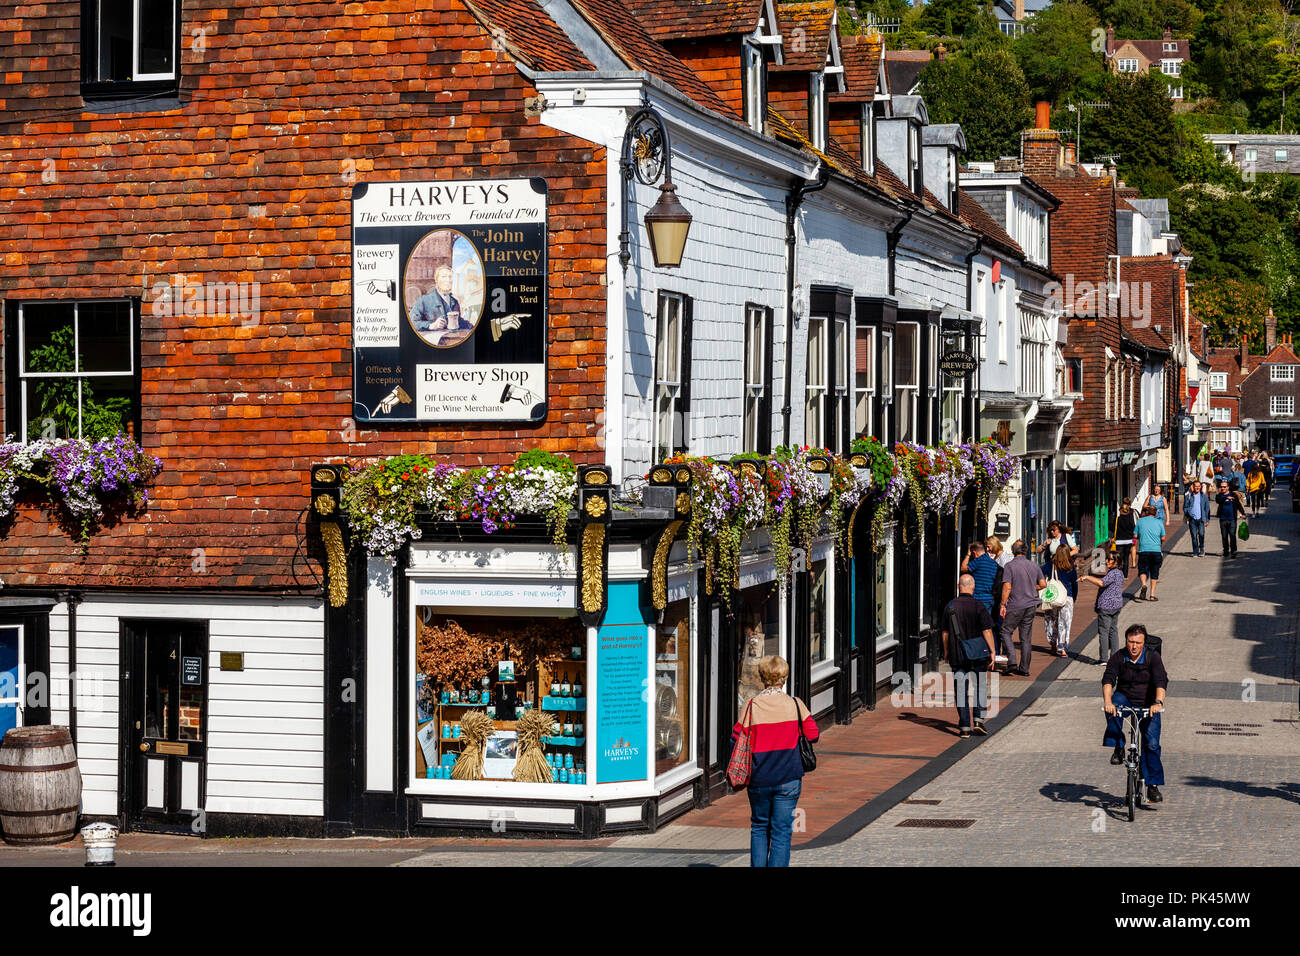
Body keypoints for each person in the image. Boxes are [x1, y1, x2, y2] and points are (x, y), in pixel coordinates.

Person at [732, 655, 818, 867]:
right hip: (789, 778)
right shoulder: (795, 705)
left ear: (762, 678)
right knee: (782, 832)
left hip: (759, 778)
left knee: (760, 827)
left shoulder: (752, 706)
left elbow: (736, 737)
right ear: (784, 678)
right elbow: (813, 734)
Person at [1102, 624, 1168, 804]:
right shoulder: (1119, 657)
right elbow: (1108, 679)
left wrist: (1158, 702)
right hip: (1126, 698)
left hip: (1148, 702)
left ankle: (1152, 786)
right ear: (1126, 641)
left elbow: (1161, 681)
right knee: (1114, 707)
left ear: (1144, 643)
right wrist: (1108, 702)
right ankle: (1118, 747)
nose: (1134, 646)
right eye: (1131, 642)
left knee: (1152, 744)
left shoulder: (1152, 657)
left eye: (1138, 643)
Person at [941, 574, 997, 738]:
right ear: (973, 587)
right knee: (980, 685)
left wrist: (946, 651)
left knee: (960, 690)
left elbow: (945, 633)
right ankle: (978, 719)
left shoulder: (950, 606)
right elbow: (987, 630)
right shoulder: (979, 606)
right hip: (978, 655)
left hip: (957, 654)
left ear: (959, 586)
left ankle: (965, 726)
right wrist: (993, 651)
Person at [998, 540, 1047, 676]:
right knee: (1026, 638)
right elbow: (1043, 584)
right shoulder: (1033, 565)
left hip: (1015, 604)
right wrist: (1031, 587)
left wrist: (1002, 604)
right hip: (1031, 604)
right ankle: (1024, 668)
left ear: (1013, 551)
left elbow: (1007, 586)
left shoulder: (1010, 566)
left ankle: (1012, 660)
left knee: (1005, 631)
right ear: (1025, 551)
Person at [410, 266, 471, 345]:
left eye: (450, 277)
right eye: (444, 277)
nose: (448, 280)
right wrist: (431, 325)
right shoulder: (423, 300)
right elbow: (412, 322)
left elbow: (459, 321)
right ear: (436, 280)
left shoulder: (455, 302)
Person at [1086, 551, 1126, 665]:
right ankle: (1114, 657)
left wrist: (1087, 577)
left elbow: (1101, 583)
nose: (1107, 561)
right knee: (1113, 630)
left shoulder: (1113, 573)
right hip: (1116, 605)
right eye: (1107, 559)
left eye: (1110, 559)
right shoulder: (1120, 573)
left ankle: (1104, 658)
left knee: (1104, 631)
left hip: (1107, 606)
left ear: (1116, 562)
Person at [1041, 545, 1077, 658]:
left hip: (1052, 596)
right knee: (1065, 623)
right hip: (1066, 597)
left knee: (1051, 621)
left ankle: (1052, 644)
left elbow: (1040, 575)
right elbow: (1075, 585)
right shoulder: (1070, 568)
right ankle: (1062, 648)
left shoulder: (1049, 565)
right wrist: (1074, 598)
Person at [1134, 505, 1165, 601]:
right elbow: (1163, 537)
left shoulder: (1140, 521)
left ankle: (1144, 585)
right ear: (1155, 513)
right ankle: (1152, 595)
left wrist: (1141, 537)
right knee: (1154, 572)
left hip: (1144, 550)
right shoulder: (1159, 522)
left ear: (1147, 512)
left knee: (1142, 569)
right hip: (1156, 550)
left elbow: (1135, 535)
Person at [960, 541, 999, 616]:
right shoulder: (993, 563)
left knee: (974, 625)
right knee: (986, 625)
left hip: (978, 598)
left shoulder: (978, 561)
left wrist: (968, 555)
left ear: (974, 553)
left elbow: (963, 568)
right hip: (989, 599)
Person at [1214, 478, 1244, 558]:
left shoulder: (1233, 495)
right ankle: (1226, 551)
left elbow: (1238, 504)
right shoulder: (1219, 495)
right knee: (1224, 536)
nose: (1223, 488)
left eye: (1224, 487)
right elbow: (1218, 501)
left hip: (1232, 519)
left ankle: (1233, 551)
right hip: (1223, 519)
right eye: (1221, 487)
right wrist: (1226, 498)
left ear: (1228, 487)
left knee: (1232, 535)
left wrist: (1243, 513)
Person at [1183, 480, 1209, 557]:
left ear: (1200, 487)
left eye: (1198, 486)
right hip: (1192, 519)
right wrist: (1189, 513)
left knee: (1201, 534)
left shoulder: (1204, 496)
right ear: (1193, 487)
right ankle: (1195, 551)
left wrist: (1207, 520)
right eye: (1195, 486)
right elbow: (1185, 507)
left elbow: (1207, 508)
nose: (1197, 487)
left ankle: (1201, 548)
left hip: (1201, 519)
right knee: (1194, 536)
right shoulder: (1189, 496)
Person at [1112, 498, 1136, 575]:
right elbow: (1133, 527)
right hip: (1128, 540)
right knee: (1126, 557)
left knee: (1119, 557)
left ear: (1121, 510)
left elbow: (1113, 528)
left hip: (1119, 540)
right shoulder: (1130, 519)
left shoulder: (1117, 519)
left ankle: (1119, 573)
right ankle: (1125, 574)